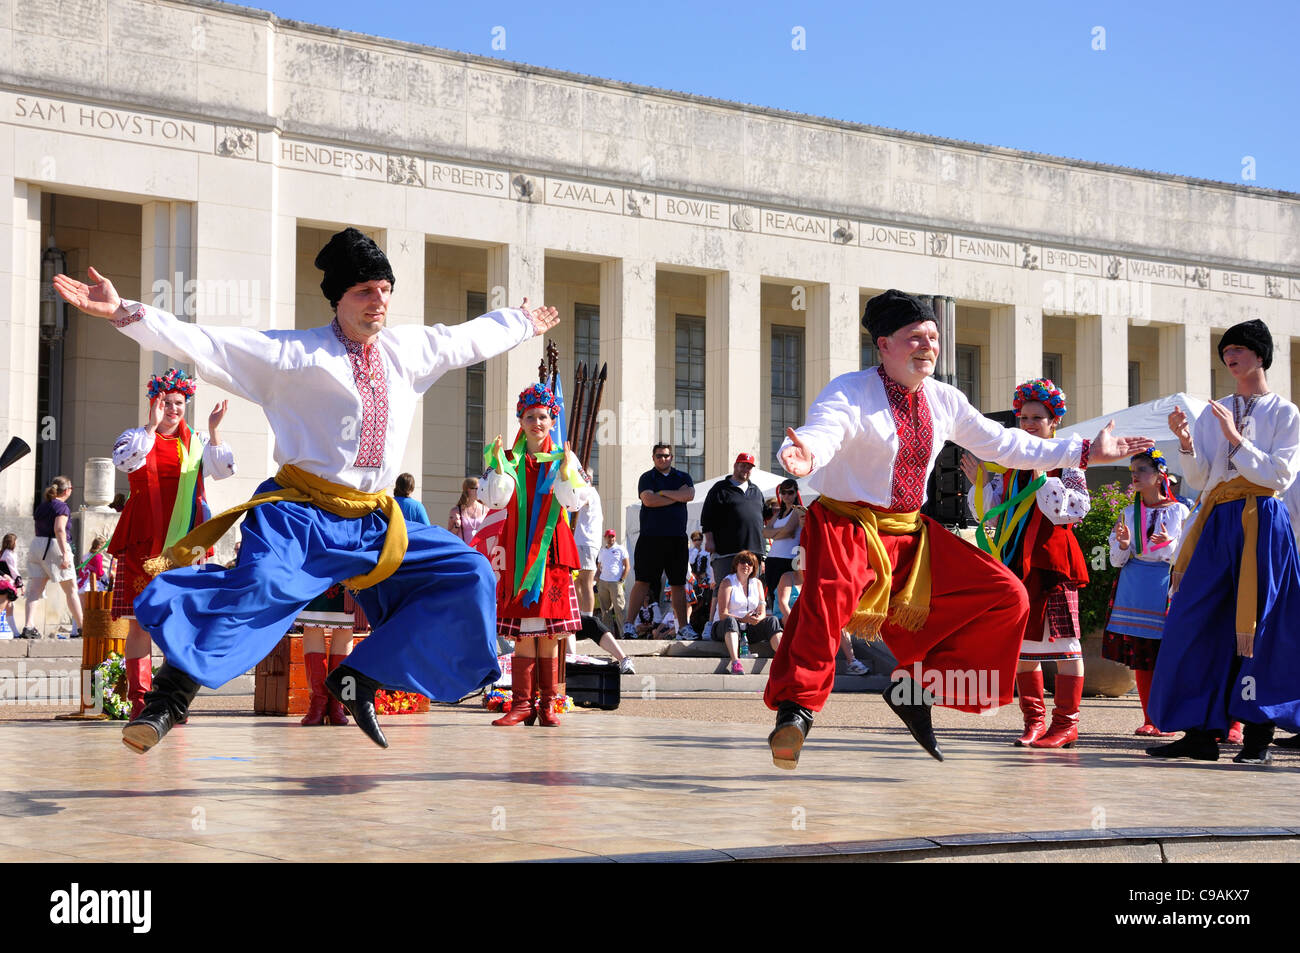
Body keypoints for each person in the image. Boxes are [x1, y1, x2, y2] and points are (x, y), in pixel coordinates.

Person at [53, 227, 559, 753]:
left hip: (373, 520)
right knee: (259, 588)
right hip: (299, 514)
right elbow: (205, 342)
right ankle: (168, 699)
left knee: (467, 572)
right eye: (364, 291)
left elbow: (467, 338)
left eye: (385, 290)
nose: (378, 302)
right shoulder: (292, 354)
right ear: (338, 299)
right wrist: (125, 312)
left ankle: (359, 679)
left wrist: (520, 322)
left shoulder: (409, 350)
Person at [765, 289, 1152, 769]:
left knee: (1007, 595)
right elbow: (827, 428)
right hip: (847, 523)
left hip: (909, 533)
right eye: (914, 338)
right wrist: (807, 455)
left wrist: (1084, 452)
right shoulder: (850, 391)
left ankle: (916, 688)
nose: (927, 346)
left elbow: (1006, 445)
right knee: (830, 602)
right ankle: (797, 711)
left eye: (933, 337)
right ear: (883, 345)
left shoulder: (945, 399)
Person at [1147, 319, 1300, 765]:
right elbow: (1200, 479)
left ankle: (1257, 739)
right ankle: (1199, 732)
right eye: (1226, 350)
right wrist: (1186, 441)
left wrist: (1237, 439)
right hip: (1217, 517)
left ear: (1260, 355)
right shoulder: (1215, 411)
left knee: (1258, 626)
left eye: (1239, 349)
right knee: (1195, 618)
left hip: (1262, 518)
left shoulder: (1285, 413)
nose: (1230, 357)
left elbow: (1279, 475)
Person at [963, 378, 1091, 749]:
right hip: (1018, 564)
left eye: (1038, 417)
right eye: (1024, 418)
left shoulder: (1068, 462)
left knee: (1067, 646)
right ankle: (1034, 722)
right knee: (1022, 649)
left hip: (1054, 563)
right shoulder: (1010, 464)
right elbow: (989, 519)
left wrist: (1041, 479)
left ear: (1055, 422)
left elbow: (1076, 511)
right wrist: (980, 486)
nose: (1030, 424)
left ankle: (1066, 724)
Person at [106, 369, 236, 718]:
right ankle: (138, 702)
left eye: (179, 403)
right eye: (167, 403)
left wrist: (212, 430)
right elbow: (125, 460)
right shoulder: (137, 437)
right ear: (154, 403)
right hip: (143, 541)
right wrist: (150, 426)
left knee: (178, 621)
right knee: (138, 621)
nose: (173, 409)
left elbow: (224, 469)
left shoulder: (194, 443)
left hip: (183, 544)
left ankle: (169, 701)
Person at [482, 382, 596, 727]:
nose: (536, 422)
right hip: (517, 549)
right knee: (522, 633)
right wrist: (500, 472)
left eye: (543, 416)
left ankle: (546, 705)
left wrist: (566, 474)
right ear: (521, 420)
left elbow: (576, 500)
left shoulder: (565, 457)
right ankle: (521, 704)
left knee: (547, 633)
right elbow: (493, 499)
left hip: (551, 550)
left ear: (552, 419)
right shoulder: (508, 458)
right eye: (530, 416)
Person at [1101, 449, 1189, 736]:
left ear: (1159, 475)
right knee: (1143, 655)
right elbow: (1116, 560)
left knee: (1168, 655)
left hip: (1166, 587)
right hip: (1135, 588)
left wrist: (1170, 544)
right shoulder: (1128, 512)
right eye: (1133, 471)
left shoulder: (1178, 511)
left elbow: (1189, 555)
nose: (1135, 476)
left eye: (1141, 470)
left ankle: (1169, 719)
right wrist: (1124, 545)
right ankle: (1150, 719)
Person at [626, 444, 696, 640]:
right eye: (659, 456)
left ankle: (683, 627)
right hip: (650, 538)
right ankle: (629, 624)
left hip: (677, 538)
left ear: (671, 457)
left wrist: (663, 493)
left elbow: (689, 495)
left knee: (678, 584)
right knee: (642, 581)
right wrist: (675, 495)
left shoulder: (683, 477)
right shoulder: (647, 477)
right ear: (653, 457)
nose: (662, 459)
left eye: (666, 456)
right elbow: (648, 500)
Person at [296, 582, 367, 726]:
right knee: (311, 622)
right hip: (316, 565)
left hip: (350, 567)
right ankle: (318, 703)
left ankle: (336, 703)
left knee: (345, 625)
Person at [21, 476, 83, 640]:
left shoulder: (42, 506)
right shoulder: (61, 507)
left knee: (34, 591)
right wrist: (64, 554)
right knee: (71, 590)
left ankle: (28, 626)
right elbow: (59, 529)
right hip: (54, 545)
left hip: (37, 545)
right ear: (67, 490)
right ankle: (83, 627)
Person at [775, 568, 868, 676]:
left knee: (838, 623)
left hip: (808, 619)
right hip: (787, 618)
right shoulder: (787, 577)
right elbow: (783, 604)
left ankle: (852, 661)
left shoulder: (816, 578)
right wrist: (797, 623)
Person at [701, 452, 766, 594]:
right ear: (735, 466)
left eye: (749, 467)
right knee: (725, 590)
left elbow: (765, 517)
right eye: (742, 465)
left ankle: (749, 617)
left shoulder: (756, 490)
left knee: (752, 592)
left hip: (753, 551)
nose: (745, 470)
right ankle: (721, 617)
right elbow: (707, 517)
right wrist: (709, 540)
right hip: (727, 551)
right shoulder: (720, 488)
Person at [714, 550, 781, 674]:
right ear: (736, 565)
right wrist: (743, 619)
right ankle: (735, 662)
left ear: (754, 568)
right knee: (731, 621)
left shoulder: (757, 583)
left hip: (748, 627)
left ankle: (784, 660)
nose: (746, 565)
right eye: (743, 562)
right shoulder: (727, 582)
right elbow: (723, 614)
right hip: (725, 626)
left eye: (750, 563)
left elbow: (762, 611)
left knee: (772, 620)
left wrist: (758, 618)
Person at [763, 478, 805, 604]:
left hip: (789, 560)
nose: (786, 495)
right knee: (774, 597)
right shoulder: (778, 514)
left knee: (787, 599)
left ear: (796, 493)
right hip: (772, 560)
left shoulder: (799, 510)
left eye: (790, 492)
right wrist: (782, 532)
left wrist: (775, 534)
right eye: (783, 492)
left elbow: (789, 531)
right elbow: (764, 532)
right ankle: (779, 624)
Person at [595, 529, 630, 635]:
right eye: (609, 536)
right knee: (605, 611)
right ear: (605, 538)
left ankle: (624, 634)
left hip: (615, 582)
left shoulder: (620, 549)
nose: (611, 539)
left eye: (613, 536)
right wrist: (597, 578)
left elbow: (627, 566)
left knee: (620, 609)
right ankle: (609, 635)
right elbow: (599, 566)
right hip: (603, 582)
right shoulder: (602, 550)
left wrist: (621, 579)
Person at [447, 477, 487, 545]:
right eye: (477, 489)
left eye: (481, 489)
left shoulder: (485, 509)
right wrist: (456, 526)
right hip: (464, 550)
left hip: (480, 550)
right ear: (468, 490)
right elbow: (449, 535)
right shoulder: (456, 511)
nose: (480, 491)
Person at [0, 533, 21, 636]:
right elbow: (14, 571)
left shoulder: (3, 553)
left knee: (9, 607)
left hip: (5, 582)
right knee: (2, 607)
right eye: (15, 541)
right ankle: (16, 633)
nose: (16, 543)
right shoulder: (8, 554)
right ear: (12, 542)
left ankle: (16, 633)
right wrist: (21, 585)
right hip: (4, 583)